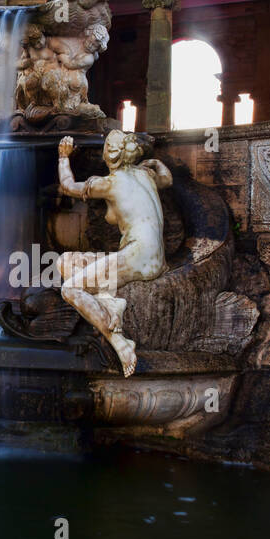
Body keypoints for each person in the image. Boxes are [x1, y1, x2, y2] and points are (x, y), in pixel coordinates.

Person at [55, 130, 172, 375]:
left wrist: (64, 157)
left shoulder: (109, 184)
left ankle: (120, 342)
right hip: (152, 256)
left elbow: (67, 186)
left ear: (108, 154)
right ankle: (110, 304)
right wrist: (157, 163)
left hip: (139, 257)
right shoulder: (145, 174)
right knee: (66, 262)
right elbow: (167, 180)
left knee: (70, 288)